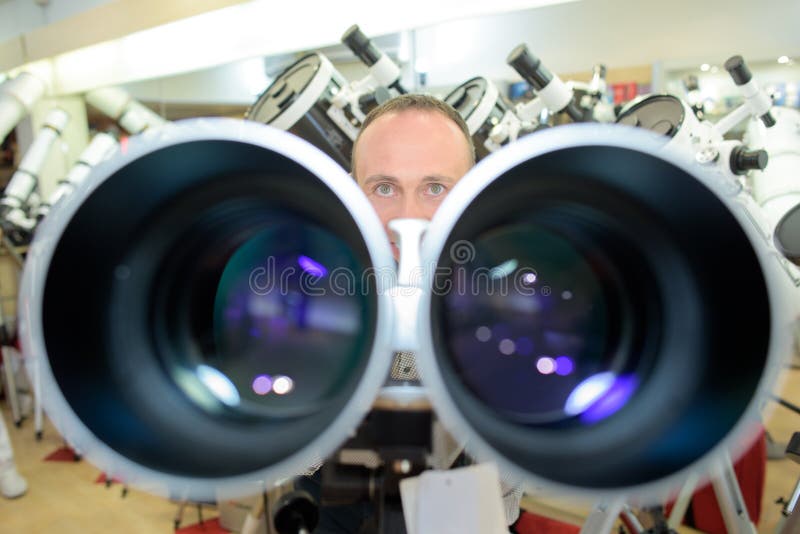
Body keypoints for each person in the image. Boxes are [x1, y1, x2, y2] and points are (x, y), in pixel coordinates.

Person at [291, 94, 521, 534]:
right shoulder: (314, 290)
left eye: (434, 188)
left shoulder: (508, 294)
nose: (408, 218)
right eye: (384, 188)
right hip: (340, 507)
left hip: (462, 512)